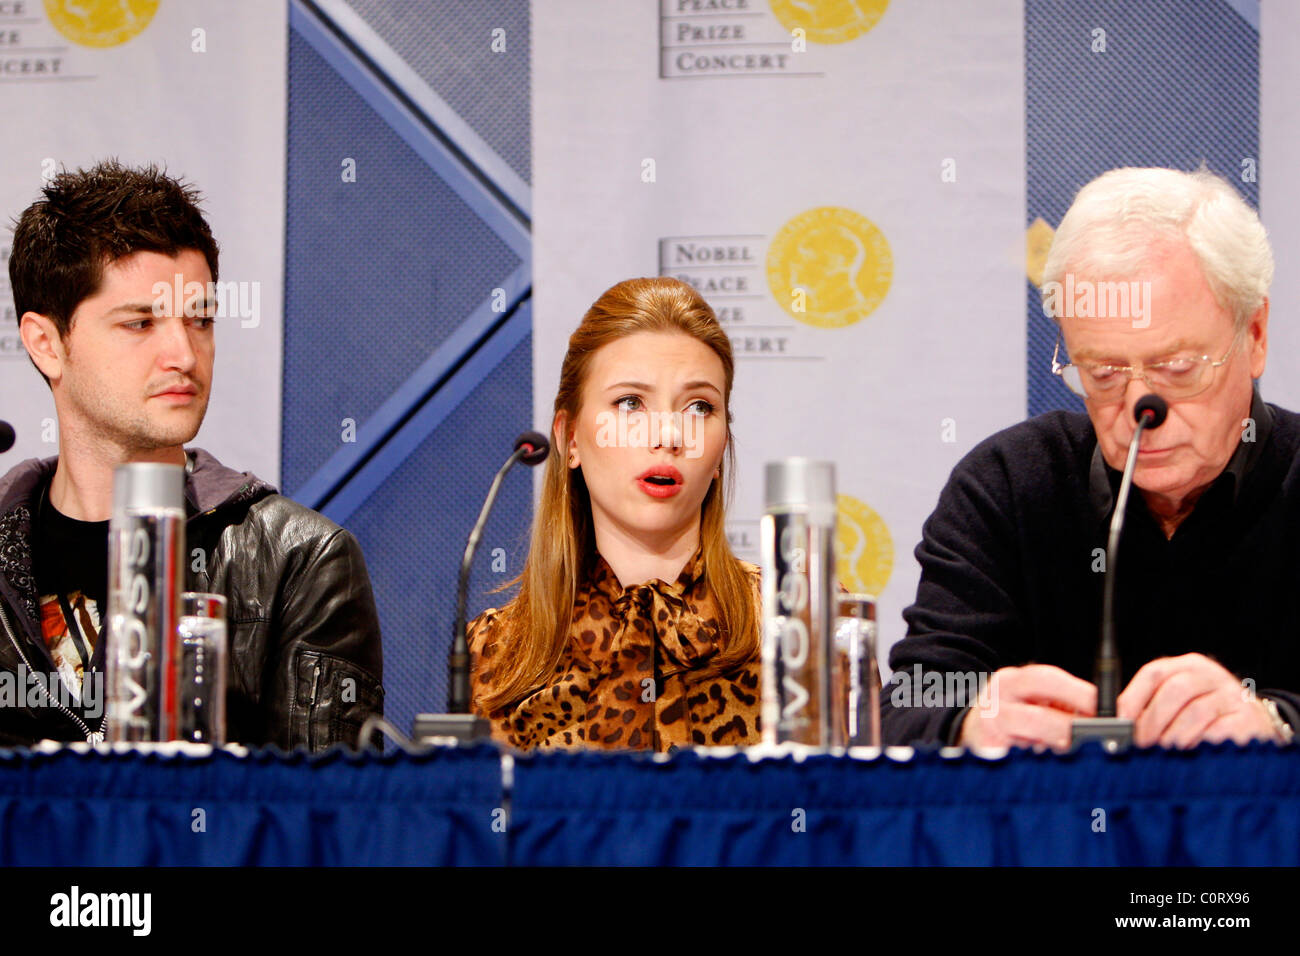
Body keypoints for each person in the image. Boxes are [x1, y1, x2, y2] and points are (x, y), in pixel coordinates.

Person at [884, 166, 1298, 751]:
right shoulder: (1008, 485)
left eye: (1177, 368)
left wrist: (1275, 723)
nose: (1138, 409)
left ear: (1254, 334)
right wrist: (969, 721)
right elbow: (909, 700)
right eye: (1101, 373)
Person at [0, 160, 383, 750]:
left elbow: (323, 827)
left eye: (200, 319)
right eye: (140, 323)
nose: (183, 353)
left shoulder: (298, 561)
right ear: (47, 344)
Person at [467, 276, 761, 752]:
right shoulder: (495, 652)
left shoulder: (801, 627)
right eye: (630, 403)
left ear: (721, 444)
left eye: (699, 406)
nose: (668, 435)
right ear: (570, 438)